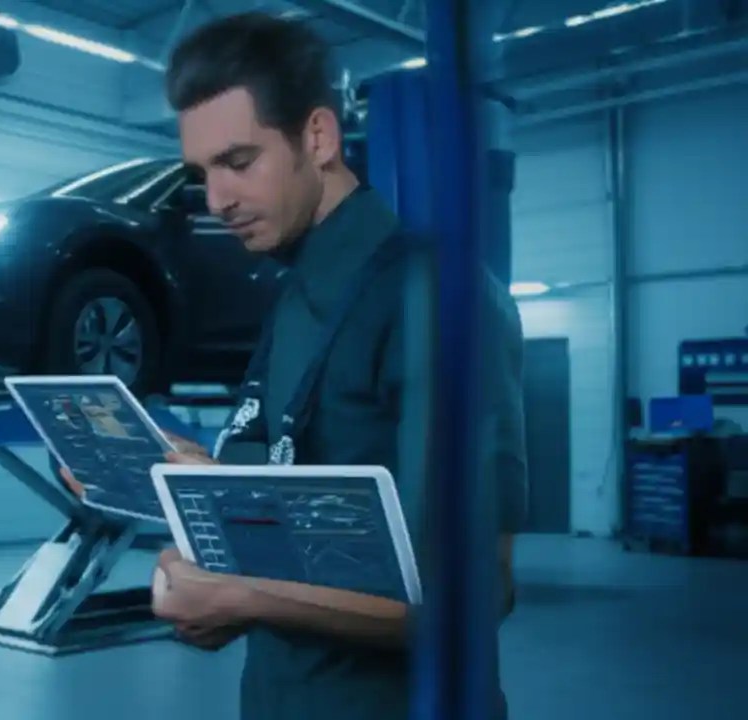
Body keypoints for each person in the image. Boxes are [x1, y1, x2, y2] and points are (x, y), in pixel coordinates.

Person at [60, 11, 528, 720]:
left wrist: (241, 597)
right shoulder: (296, 296)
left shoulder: (437, 298)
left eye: (239, 162)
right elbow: (311, 503)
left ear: (318, 137)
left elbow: (477, 592)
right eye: (202, 173)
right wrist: (176, 475)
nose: (217, 201)